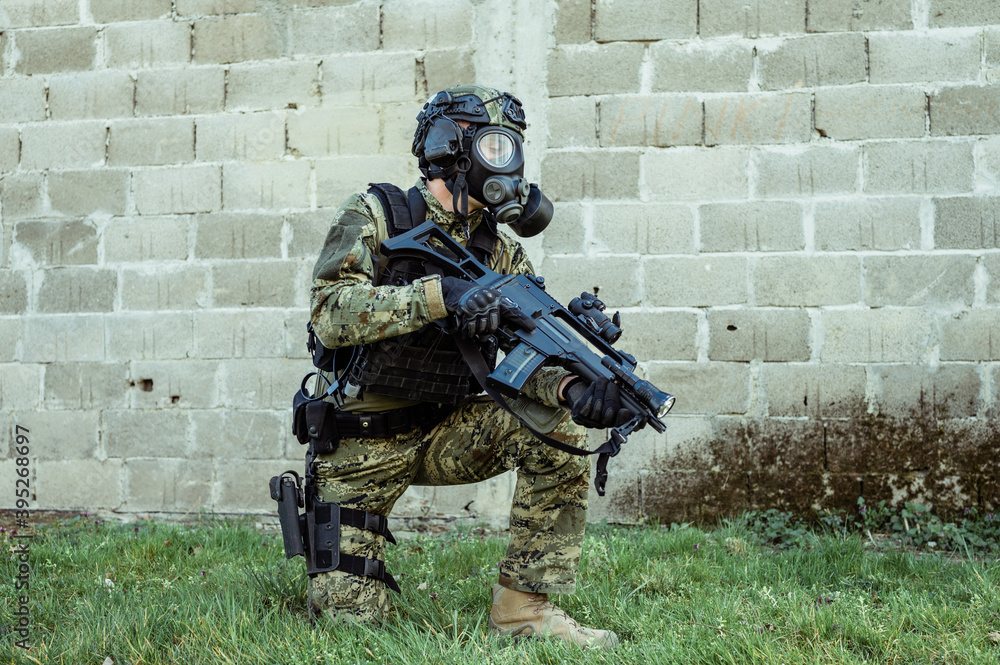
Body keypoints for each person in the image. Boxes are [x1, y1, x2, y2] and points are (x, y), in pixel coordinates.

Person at [302, 84, 634, 649]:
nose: (511, 163)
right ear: (450, 148)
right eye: (497, 146)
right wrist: (440, 297)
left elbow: (529, 353)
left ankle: (523, 607)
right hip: (361, 444)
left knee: (558, 429)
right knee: (350, 628)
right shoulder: (375, 215)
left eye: (515, 148)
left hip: (447, 431)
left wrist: (573, 389)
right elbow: (331, 314)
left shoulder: (501, 251)